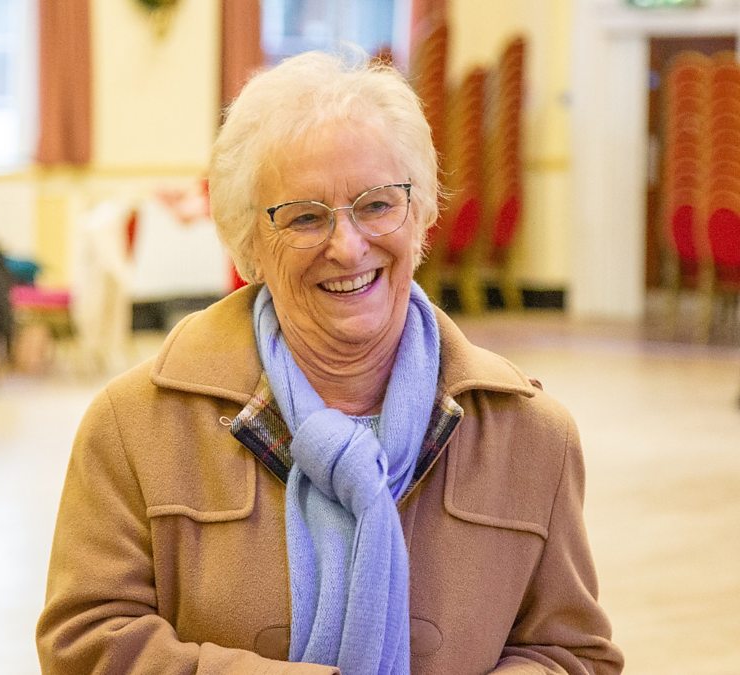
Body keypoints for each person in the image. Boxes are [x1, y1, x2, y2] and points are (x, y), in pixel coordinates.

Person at [36, 51, 623, 674]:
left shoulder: (531, 436)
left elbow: (571, 654)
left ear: (420, 213)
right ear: (248, 245)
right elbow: (85, 644)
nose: (347, 247)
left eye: (376, 205)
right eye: (305, 217)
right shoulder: (134, 427)